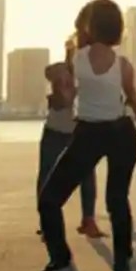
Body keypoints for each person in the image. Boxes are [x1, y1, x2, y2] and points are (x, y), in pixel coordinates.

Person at [38, 0, 136, 271]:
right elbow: (133, 100)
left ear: (89, 25)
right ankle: (121, 264)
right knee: (116, 200)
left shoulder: (81, 58)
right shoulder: (115, 63)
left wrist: (57, 94)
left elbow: (67, 100)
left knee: (52, 199)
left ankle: (64, 259)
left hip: (99, 133)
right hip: (116, 133)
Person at [36, 31, 103, 240]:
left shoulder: (92, 73)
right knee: (47, 175)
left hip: (80, 132)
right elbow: (50, 75)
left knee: (87, 176)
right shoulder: (60, 71)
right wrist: (64, 73)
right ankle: (46, 223)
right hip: (55, 131)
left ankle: (88, 220)